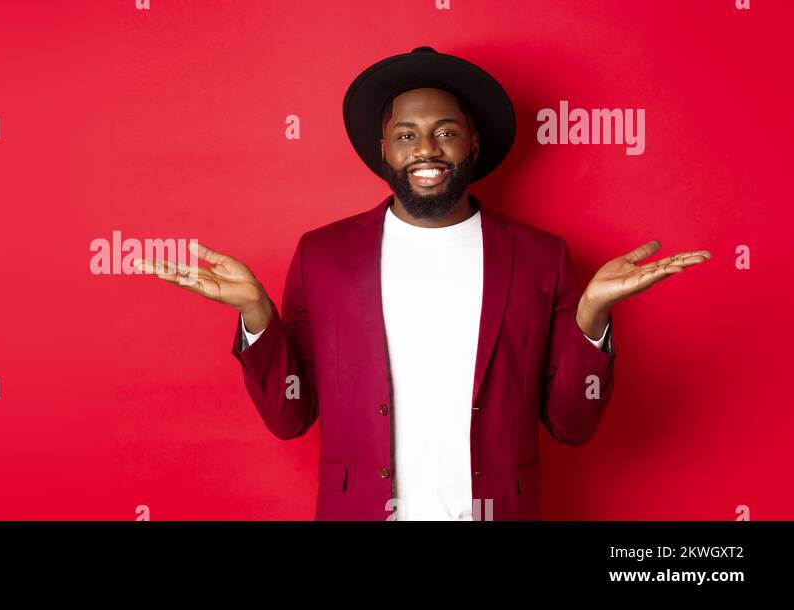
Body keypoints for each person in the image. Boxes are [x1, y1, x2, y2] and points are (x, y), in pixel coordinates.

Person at [135, 46, 710, 520]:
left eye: (445, 131)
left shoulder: (542, 257)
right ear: (383, 149)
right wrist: (258, 315)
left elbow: (571, 425)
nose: (426, 150)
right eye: (406, 135)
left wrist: (592, 320)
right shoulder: (324, 255)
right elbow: (291, 416)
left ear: (473, 144)